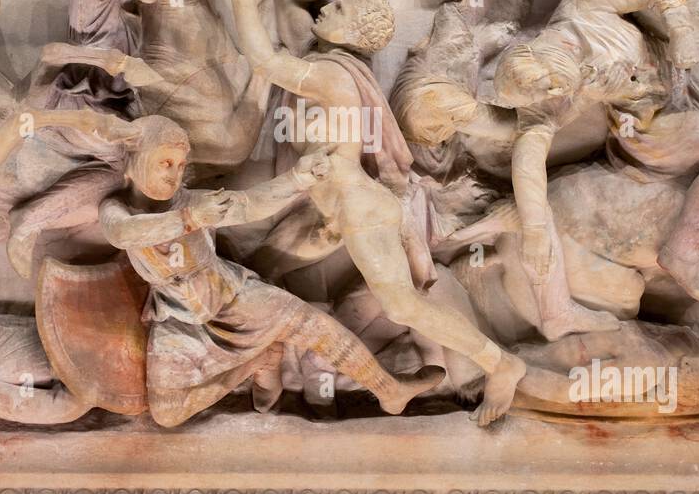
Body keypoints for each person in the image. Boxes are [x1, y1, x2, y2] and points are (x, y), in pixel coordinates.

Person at [222, 0, 527, 426]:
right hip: (326, 211)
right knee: (256, 273)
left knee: (402, 304)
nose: (326, 8)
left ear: (350, 34)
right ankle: (266, 362)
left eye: (339, 9)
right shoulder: (318, 57)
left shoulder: (332, 75)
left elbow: (262, 59)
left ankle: (500, 362)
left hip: (359, 210)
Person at [98, 115, 442, 427]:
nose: (174, 175)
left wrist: (297, 178)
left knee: (313, 325)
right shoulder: (117, 208)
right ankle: (255, 362)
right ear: (133, 163)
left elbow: (250, 204)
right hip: (177, 319)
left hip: (234, 295)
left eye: (180, 165)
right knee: (168, 413)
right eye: (165, 163)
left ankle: (389, 389)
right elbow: (123, 232)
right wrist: (189, 219)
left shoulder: (193, 201)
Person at [494, 0, 699, 320]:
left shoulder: (583, 4)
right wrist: (533, 230)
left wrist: (681, 32)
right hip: (651, 122)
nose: (559, 99)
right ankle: (683, 250)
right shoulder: (543, 100)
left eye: (556, 89)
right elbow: (528, 154)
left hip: (683, 71)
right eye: (550, 97)